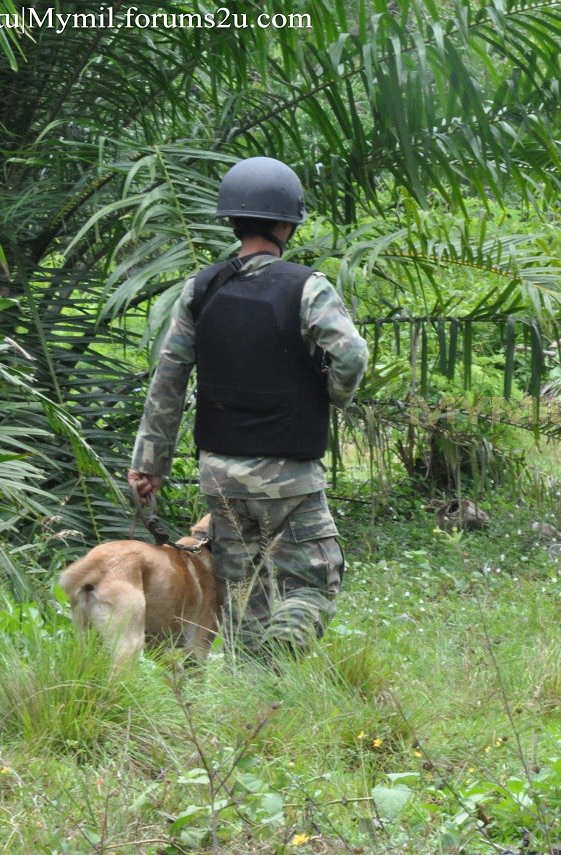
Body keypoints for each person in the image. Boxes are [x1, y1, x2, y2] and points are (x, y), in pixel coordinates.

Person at [128, 156, 369, 660]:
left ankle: (252, 706)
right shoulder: (306, 286)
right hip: (290, 478)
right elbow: (350, 353)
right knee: (314, 585)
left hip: (220, 475)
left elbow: (168, 377)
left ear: (232, 220)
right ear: (287, 224)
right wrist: (336, 394)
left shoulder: (202, 288)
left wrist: (150, 464)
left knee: (242, 597)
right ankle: (283, 650)